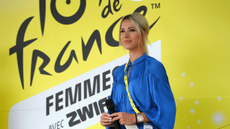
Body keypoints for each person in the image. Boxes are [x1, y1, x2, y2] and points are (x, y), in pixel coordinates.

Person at [100, 12, 176, 129]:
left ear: (144, 33)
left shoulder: (154, 67)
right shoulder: (118, 73)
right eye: (122, 31)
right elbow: (117, 111)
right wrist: (109, 119)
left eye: (131, 30)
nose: (125, 35)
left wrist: (136, 118)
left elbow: (167, 112)